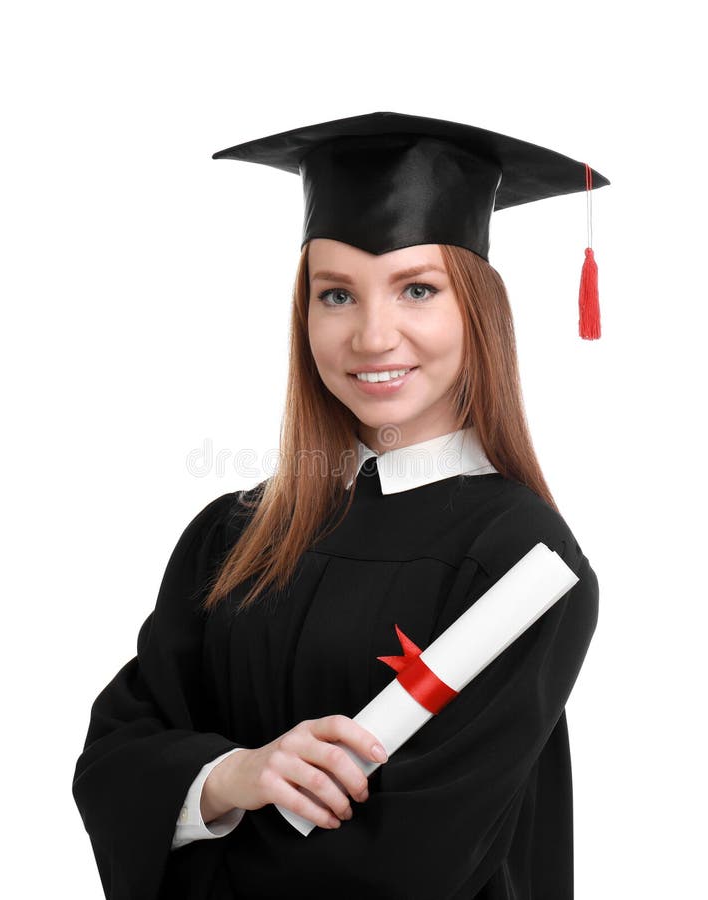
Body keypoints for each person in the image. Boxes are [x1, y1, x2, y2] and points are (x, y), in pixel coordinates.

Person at [72, 111, 607, 900]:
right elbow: (117, 759)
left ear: (478, 313)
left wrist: (203, 847)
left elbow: (412, 864)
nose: (371, 334)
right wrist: (233, 777)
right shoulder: (234, 533)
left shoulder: (520, 564)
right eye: (335, 295)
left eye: (417, 289)